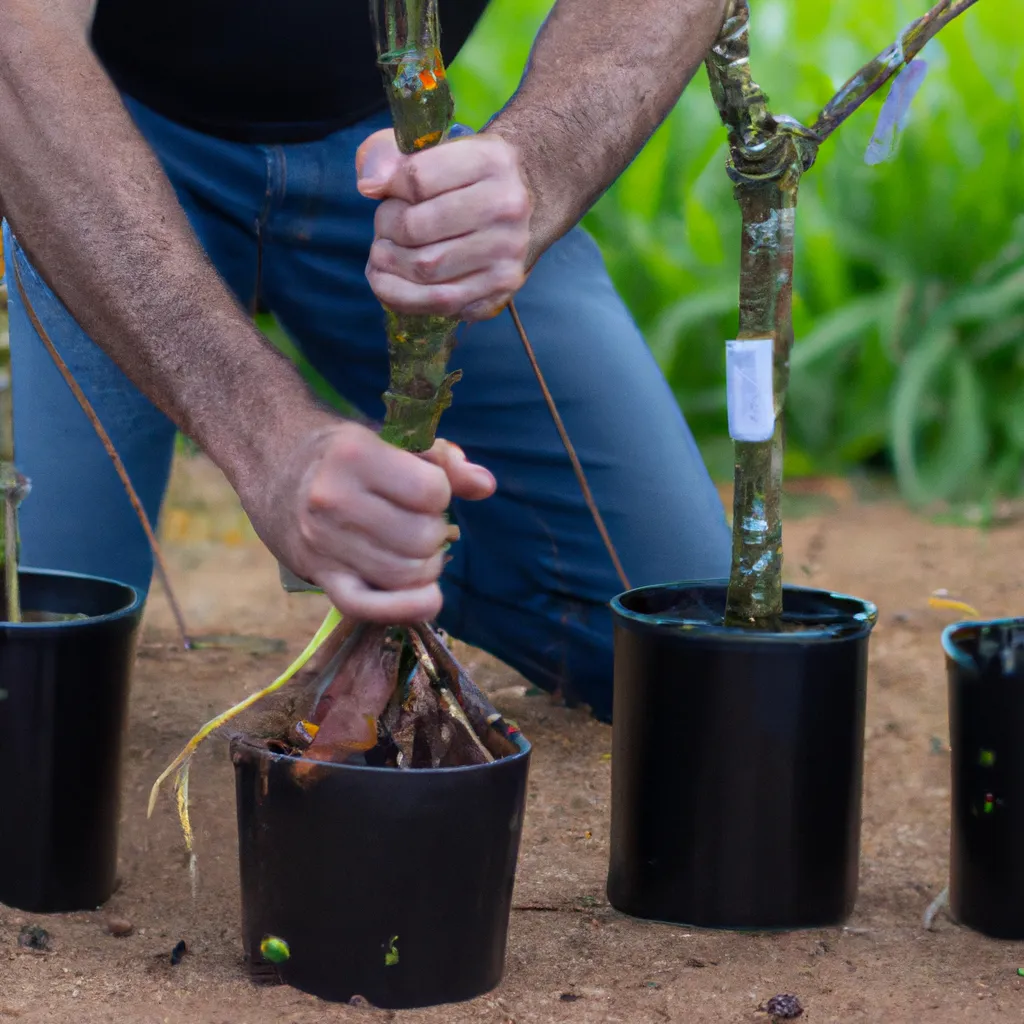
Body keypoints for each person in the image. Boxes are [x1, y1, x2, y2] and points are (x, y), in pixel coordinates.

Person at [0, 0, 730, 722]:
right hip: (81, 157)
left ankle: (401, 554)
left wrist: (539, 168)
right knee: (41, 661)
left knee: (685, 647)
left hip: (391, 162)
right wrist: (267, 439)